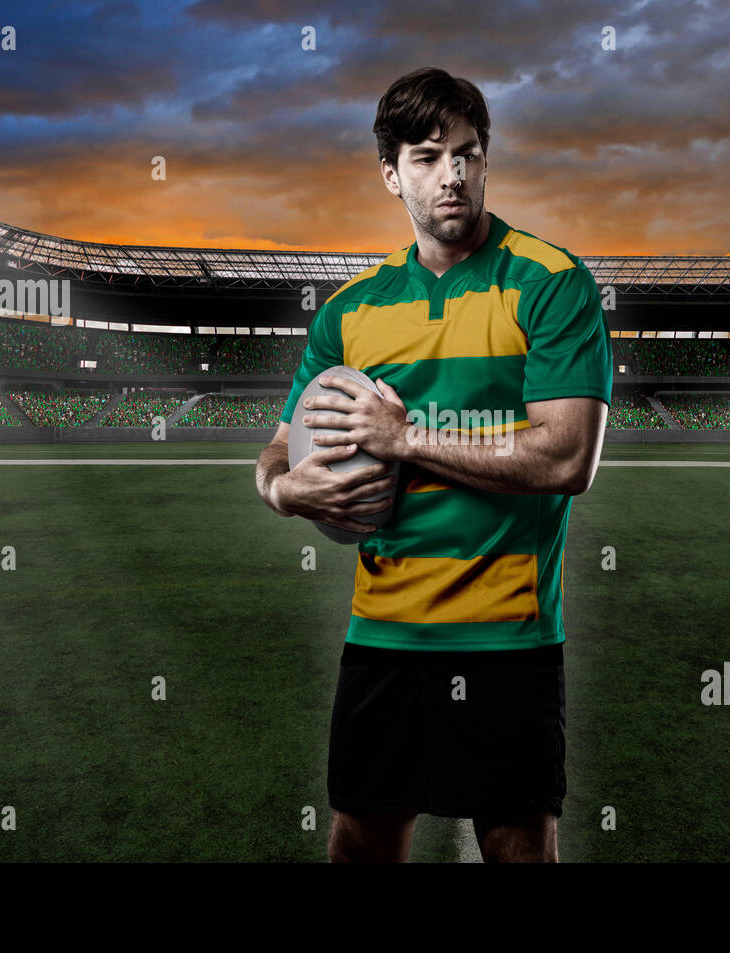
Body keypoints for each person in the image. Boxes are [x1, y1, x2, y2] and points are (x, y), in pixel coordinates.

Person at [255, 66, 611, 862]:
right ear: (391, 174)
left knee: (519, 848)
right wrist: (283, 489)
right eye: (427, 156)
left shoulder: (551, 283)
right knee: (360, 841)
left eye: (468, 153)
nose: (452, 173)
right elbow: (280, 445)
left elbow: (567, 456)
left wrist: (403, 436)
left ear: (485, 161)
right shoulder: (351, 311)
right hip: (384, 636)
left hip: (509, 640)